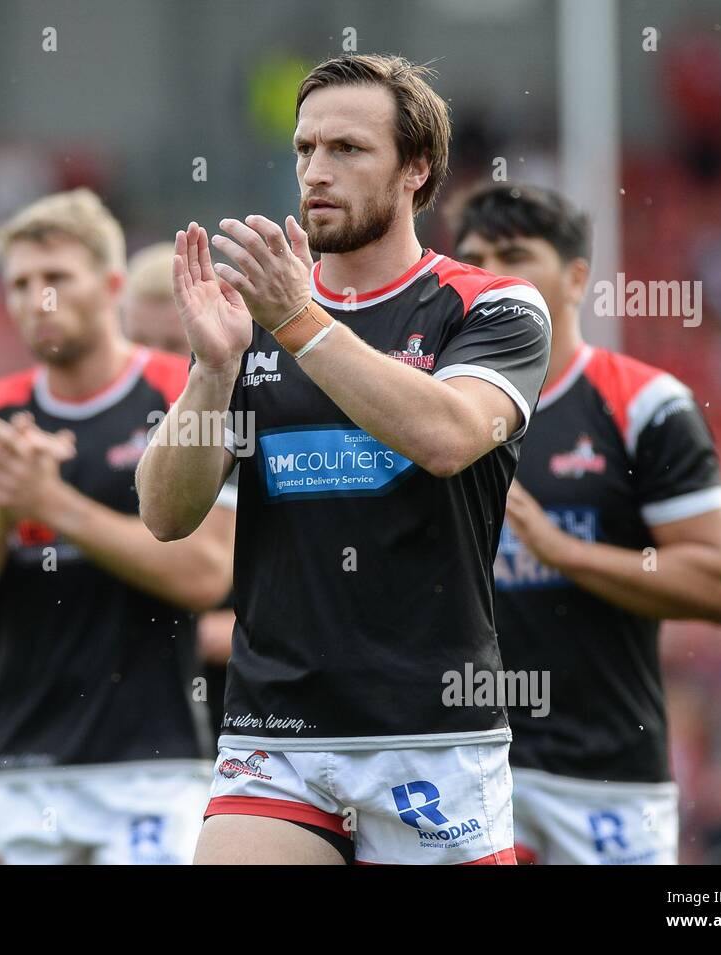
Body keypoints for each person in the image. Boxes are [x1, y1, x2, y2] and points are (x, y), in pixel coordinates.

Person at [137, 53, 551, 864]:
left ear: (416, 169)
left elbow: (446, 438)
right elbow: (165, 512)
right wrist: (215, 372)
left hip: (433, 730)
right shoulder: (251, 321)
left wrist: (297, 321)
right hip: (277, 730)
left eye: (348, 150)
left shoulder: (490, 305)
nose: (315, 171)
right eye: (305, 149)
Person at [0, 189, 235, 864]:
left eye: (56, 278)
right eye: (20, 284)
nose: (38, 299)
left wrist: (54, 505)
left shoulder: (186, 391)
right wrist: (4, 509)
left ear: (112, 285)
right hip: (28, 767)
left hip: (155, 762)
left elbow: (207, 572)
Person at [452, 182, 721, 864]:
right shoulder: (433, 409)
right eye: (474, 257)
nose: (493, 274)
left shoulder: (644, 404)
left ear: (578, 277)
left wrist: (566, 553)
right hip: (471, 766)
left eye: (516, 254)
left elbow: (720, 582)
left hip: (608, 777)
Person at [123, 241, 238, 742]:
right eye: (137, 343)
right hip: (135, 717)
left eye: (174, 346)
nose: (154, 363)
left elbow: (206, 574)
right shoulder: (103, 434)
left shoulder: (239, 422)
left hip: (240, 715)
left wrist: (237, 632)